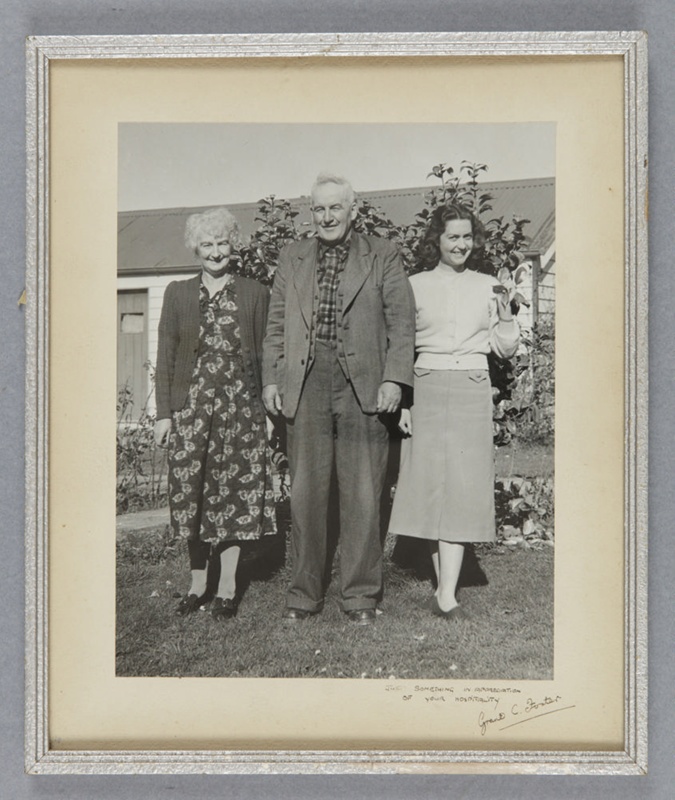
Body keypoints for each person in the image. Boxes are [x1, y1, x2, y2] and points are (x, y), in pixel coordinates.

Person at [262, 173, 415, 625]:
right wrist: (273, 378)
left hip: (363, 383)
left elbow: (401, 324)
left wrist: (394, 381)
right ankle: (303, 595)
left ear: (353, 210)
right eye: (319, 209)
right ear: (312, 212)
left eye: (335, 208)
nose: (327, 216)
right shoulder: (293, 257)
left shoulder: (382, 254)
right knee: (306, 493)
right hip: (305, 382)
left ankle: (360, 596)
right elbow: (275, 325)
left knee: (363, 493)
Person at [388, 203, 520, 619]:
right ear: (437, 241)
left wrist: (504, 318)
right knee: (431, 485)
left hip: (472, 388)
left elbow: (504, 348)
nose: (460, 244)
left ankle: (447, 592)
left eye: (466, 237)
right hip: (426, 386)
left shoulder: (489, 285)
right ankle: (444, 589)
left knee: (461, 486)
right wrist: (405, 402)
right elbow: (401, 346)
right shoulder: (414, 285)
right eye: (452, 237)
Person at [154, 206, 276, 621]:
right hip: (191, 407)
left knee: (233, 496)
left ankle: (226, 589)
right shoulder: (177, 293)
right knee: (192, 494)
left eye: (222, 242)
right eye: (207, 244)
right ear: (196, 249)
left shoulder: (255, 293)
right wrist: (164, 414)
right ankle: (196, 584)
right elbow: (166, 357)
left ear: (233, 245)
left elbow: (266, 355)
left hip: (242, 409)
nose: (216, 251)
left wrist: (269, 409)